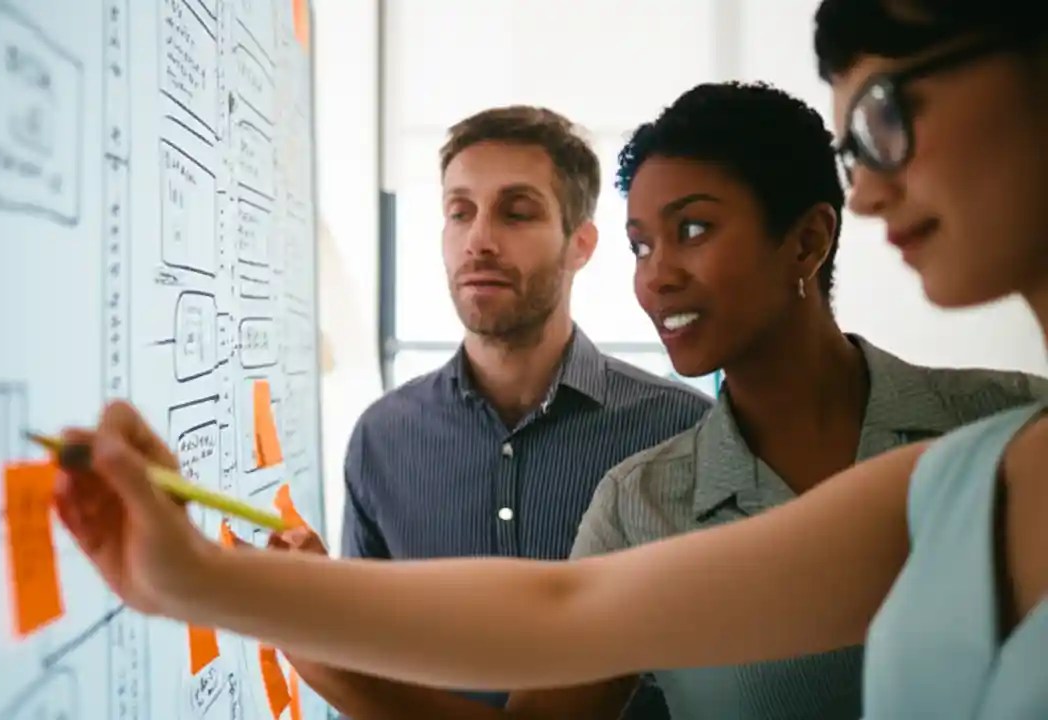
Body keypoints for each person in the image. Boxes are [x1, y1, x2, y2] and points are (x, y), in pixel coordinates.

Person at [50, 1, 1048, 717]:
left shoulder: (981, 431)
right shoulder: (960, 477)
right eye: (646, 242)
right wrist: (193, 578)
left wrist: (203, 582)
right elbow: (570, 612)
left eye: (882, 114)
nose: (656, 277)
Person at [267, 80, 1047, 720]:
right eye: (644, 244)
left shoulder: (1004, 427)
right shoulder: (641, 500)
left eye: (694, 229)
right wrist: (282, 620)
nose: (657, 275)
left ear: (808, 241)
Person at [302, 105, 711, 716]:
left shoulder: (681, 431)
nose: (479, 240)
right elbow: (365, 657)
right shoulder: (381, 440)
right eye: (459, 212)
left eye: (517, 212)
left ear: (581, 244)